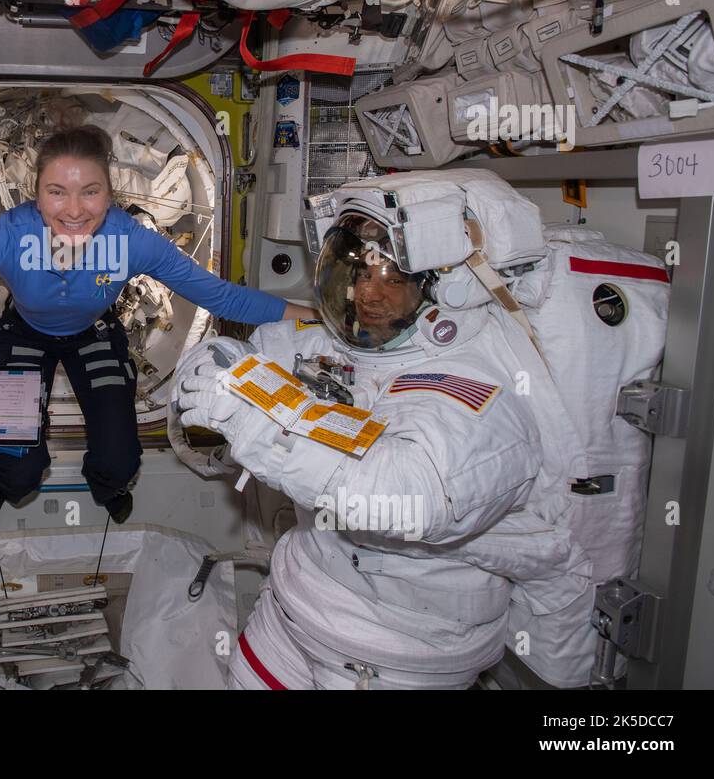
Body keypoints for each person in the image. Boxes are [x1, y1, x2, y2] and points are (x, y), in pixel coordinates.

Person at [173, 169, 593, 689]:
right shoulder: (345, 345)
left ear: (448, 294)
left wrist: (254, 420)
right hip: (295, 607)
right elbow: (246, 354)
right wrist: (224, 366)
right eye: (359, 273)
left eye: (393, 280)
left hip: (392, 651)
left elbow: (403, 495)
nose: (368, 293)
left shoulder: (478, 390)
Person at [0, 126, 313, 525]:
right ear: (35, 193)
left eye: (90, 192)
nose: (74, 210)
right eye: (57, 192)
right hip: (24, 333)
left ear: (109, 193)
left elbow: (216, 294)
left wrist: (303, 317)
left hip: (94, 332)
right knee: (20, 466)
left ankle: (107, 486)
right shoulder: (2, 237)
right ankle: (7, 485)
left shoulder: (131, 240)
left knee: (122, 460)